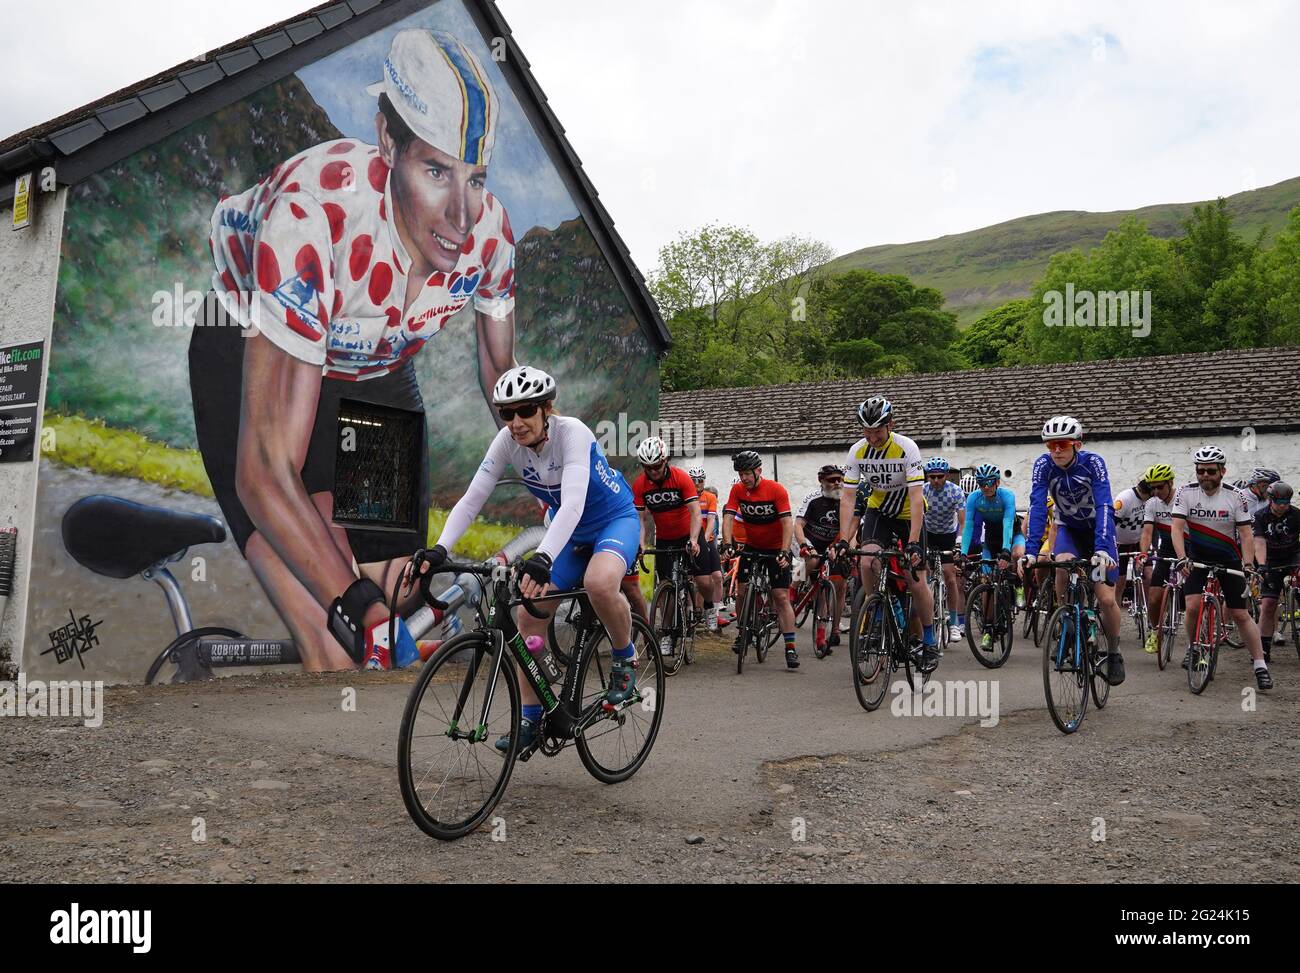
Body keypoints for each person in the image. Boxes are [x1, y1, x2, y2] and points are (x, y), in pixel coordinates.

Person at [191, 28, 517, 671]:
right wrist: (354, 607)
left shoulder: (490, 236)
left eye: (474, 178)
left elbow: (503, 377)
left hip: (375, 368)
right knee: (341, 634)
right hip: (253, 339)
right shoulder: (313, 218)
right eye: (435, 171)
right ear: (388, 144)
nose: (460, 214)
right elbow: (265, 471)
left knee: (401, 596)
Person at [412, 366, 642, 750]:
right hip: (566, 532)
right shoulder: (506, 442)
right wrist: (440, 549)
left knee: (599, 583)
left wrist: (543, 556)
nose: (516, 423)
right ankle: (531, 720)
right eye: (507, 413)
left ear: (546, 409)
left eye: (525, 411)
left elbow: (573, 503)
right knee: (527, 612)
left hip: (612, 521)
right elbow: (472, 499)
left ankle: (625, 656)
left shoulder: (573, 434)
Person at [831, 396, 938, 671]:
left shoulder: (906, 448)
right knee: (866, 560)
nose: (872, 437)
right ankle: (876, 610)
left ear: (890, 425)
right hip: (879, 511)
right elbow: (848, 498)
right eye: (866, 431)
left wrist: (913, 542)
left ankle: (928, 640)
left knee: (916, 580)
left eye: (877, 431)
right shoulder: (857, 451)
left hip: (908, 514)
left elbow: (916, 497)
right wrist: (843, 539)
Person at [1023, 415, 1125, 686]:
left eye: (1063, 444)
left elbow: (1105, 504)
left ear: (1077, 444)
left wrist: (1103, 547)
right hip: (1068, 529)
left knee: (1105, 599)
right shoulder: (1043, 465)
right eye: (1051, 445)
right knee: (1062, 568)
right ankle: (1066, 623)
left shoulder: (1093, 463)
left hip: (1098, 531)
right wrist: (1031, 551)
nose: (1056, 450)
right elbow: (1035, 506)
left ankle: (1114, 653)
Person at [1170, 445, 1272, 689]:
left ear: (1222, 471)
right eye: (1200, 470)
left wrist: (1248, 564)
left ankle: (1260, 665)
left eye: (1211, 471)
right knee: (1193, 606)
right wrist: (1182, 557)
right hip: (1196, 557)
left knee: (1240, 614)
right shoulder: (1185, 493)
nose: (1205, 475)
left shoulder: (1235, 496)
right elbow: (1176, 528)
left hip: (1228, 558)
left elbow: (1246, 534)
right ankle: (1194, 648)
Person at [722, 451, 799, 668]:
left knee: (781, 596)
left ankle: (790, 647)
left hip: (776, 548)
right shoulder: (737, 489)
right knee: (742, 588)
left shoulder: (775, 490)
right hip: (752, 547)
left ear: (758, 471)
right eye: (740, 474)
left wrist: (784, 551)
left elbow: (787, 523)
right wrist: (727, 543)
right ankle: (743, 632)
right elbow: (728, 516)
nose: (744, 478)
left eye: (747, 473)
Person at [631, 437, 706, 655]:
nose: (652, 471)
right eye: (647, 467)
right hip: (664, 538)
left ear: (665, 461)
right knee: (665, 588)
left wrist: (693, 539)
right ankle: (667, 634)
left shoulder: (681, 478)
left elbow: (695, 512)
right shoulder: (640, 484)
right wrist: (641, 543)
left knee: (703, 579)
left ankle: (700, 607)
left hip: (687, 533)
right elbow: (640, 520)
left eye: (656, 466)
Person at [960, 462, 1017, 652]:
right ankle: (988, 628)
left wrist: (1007, 551)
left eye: (990, 482)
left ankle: (1018, 586)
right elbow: (968, 526)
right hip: (991, 540)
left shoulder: (1007, 496)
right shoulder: (974, 499)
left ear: (997, 482)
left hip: (1012, 536)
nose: (986, 487)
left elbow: (1008, 524)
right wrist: (963, 553)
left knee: (1017, 555)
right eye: (982, 482)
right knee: (987, 584)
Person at [794, 464, 850, 654]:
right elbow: (798, 524)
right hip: (808, 540)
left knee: (826, 591)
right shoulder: (813, 499)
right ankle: (792, 589)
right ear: (821, 481)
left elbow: (851, 528)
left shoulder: (846, 501)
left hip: (831, 544)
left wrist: (842, 545)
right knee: (812, 560)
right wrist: (803, 544)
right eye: (831, 480)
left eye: (839, 479)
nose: (836, 483)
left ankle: (823, 636)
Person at [1133, 463, 1179, 653]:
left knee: (1198, 598)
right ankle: (1154, 630)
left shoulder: (1182, 498)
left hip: (1187, 548)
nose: (1156, 491)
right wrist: (1144, 552)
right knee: (1153, 598)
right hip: (1166, 550)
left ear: (1170, 482)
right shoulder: (1152, 503)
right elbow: (1147, 532)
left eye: (1160, 486)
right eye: (1153, 487)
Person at [1253, 481, 1299, 662]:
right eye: (1279, 502)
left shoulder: (1296, 515)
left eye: (1286, 502)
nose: (1283, 506)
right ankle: (1263, 649)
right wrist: (1262, 564)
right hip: (1271, 559)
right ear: (1270, 500)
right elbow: (1259, 542)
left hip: (1294, 556)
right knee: (1268, 604)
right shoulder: (1260, 516)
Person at [922, 457, 967, 642]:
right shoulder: (923, 490)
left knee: (950, 577)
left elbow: (963, 521)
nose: (935, 481)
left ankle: (955, 622)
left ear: (947, 475)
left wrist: (959, 542)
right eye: (931, 477)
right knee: (924, 576)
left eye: (940, 476)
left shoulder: (955, 491)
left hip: (948, 535)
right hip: (928, 534)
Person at [691, 471, 724, 632]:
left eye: (700, 480)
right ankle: (693, 611)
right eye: (694, 480)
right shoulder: (686, 497)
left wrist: (702, 539)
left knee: (717, 576)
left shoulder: (710, 497)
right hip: (690, 541)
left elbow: (711, 521)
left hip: (706, 540)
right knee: (692, 579)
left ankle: (714, 613)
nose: (697, 483)